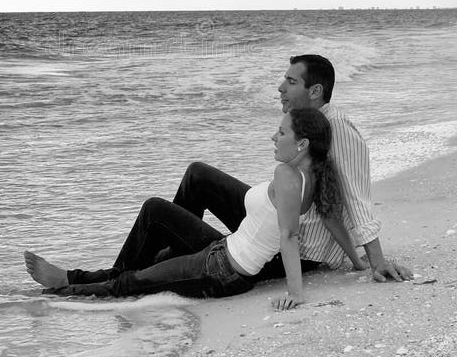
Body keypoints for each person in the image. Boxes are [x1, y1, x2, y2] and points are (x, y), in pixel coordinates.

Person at [25, 108, 366, 309]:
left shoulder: (287, 175)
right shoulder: (314, 175)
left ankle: (57, 295)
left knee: (133, 282)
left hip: (220, 269)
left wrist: (295, 293)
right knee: (148, 266)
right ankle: (70, 280)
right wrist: (357, 261)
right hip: (223, 258)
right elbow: (331, 218)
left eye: (281, 132)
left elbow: (290, 236)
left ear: (302, 143)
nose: (273, 138)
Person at [167, 54, 412, 283]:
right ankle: (170, 257)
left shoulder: (338, 129)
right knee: (198, 176)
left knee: (169, 212)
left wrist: (374, 262)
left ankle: (167, 263)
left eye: (291, 81)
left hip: (295, 247)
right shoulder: (309, 123)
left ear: (315, 91)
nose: (281, 88)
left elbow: (355, 196)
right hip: (280, 222)